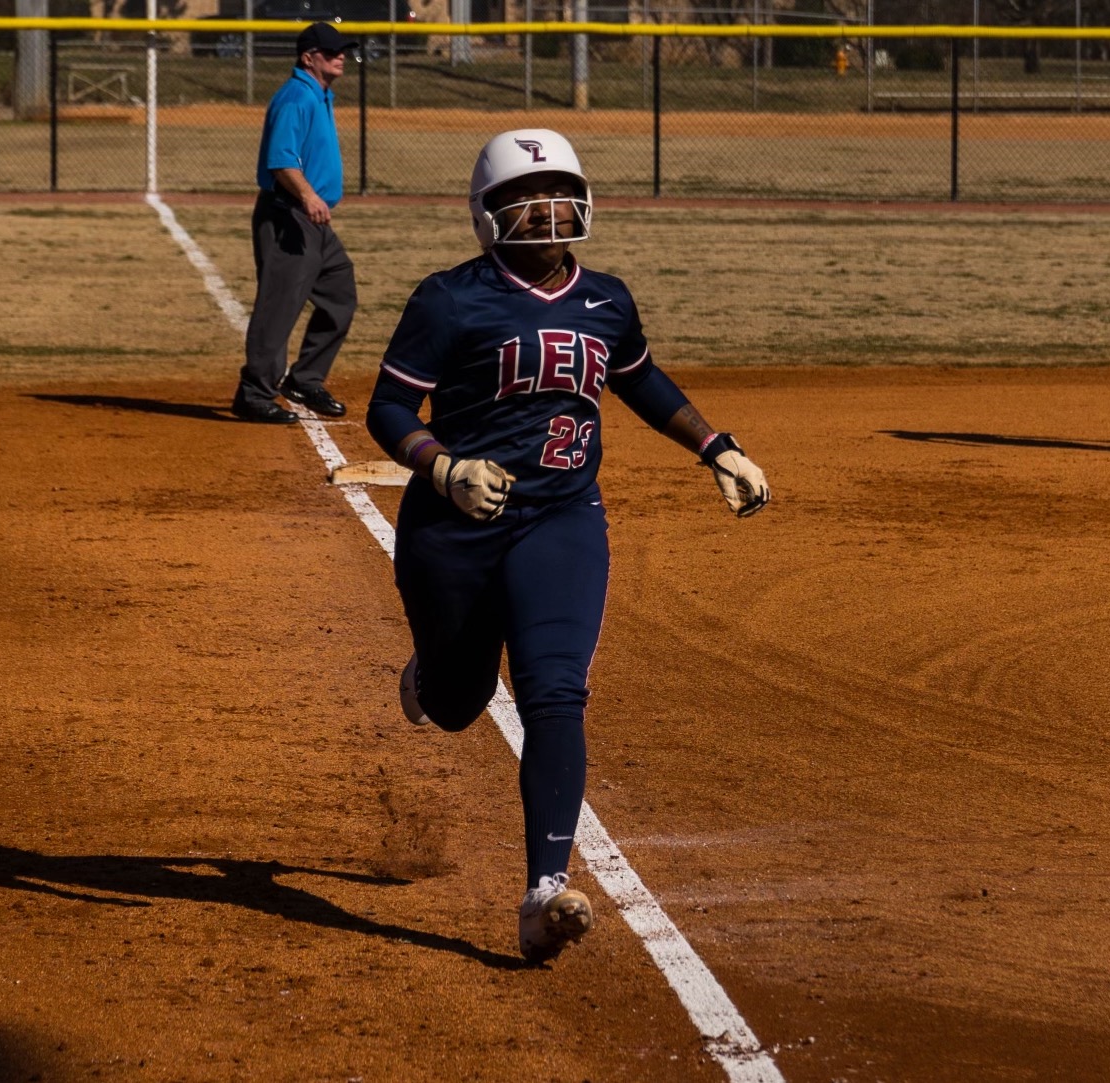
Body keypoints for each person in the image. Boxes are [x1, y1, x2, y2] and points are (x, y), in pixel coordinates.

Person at [364, 129, 771, 964]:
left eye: (558, 188)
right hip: (454, 530)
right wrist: (442, 470)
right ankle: (432, 671)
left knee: (556, 687)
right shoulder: (448, 299)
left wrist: (716, 446)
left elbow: (641, 380)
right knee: (457, 701)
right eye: (526, 192)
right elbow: (389, 411)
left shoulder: (607, 300)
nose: (547, 207)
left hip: (562, 518)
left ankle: (544, 889)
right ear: (489, 213)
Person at [231, 22, 356, 424]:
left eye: (342, 51)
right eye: (331, 51)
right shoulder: (296, 97)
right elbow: (281, 159)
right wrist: (307, 195)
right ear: (308, 57)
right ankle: (254, 393)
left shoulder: (319, 95)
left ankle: (304, 379)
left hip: (312, 220)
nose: (340, 56)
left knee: (340, 293)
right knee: (279, 307)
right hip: (289, 215)